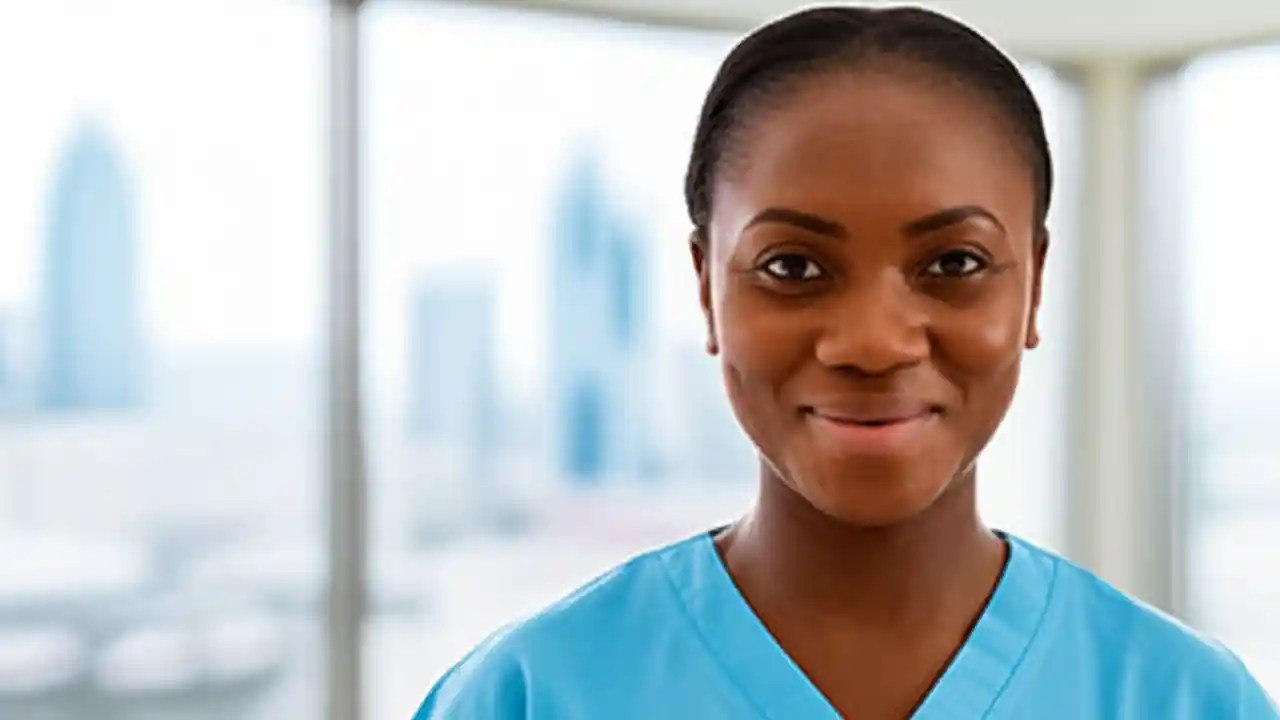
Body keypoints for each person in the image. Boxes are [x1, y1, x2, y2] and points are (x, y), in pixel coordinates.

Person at [414, 6, 1278, 718]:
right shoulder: (526, 698)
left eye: (955, 264)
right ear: (708, 290)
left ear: (1036, 286)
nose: (872, 342)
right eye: (792, 267)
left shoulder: (1188, 701)